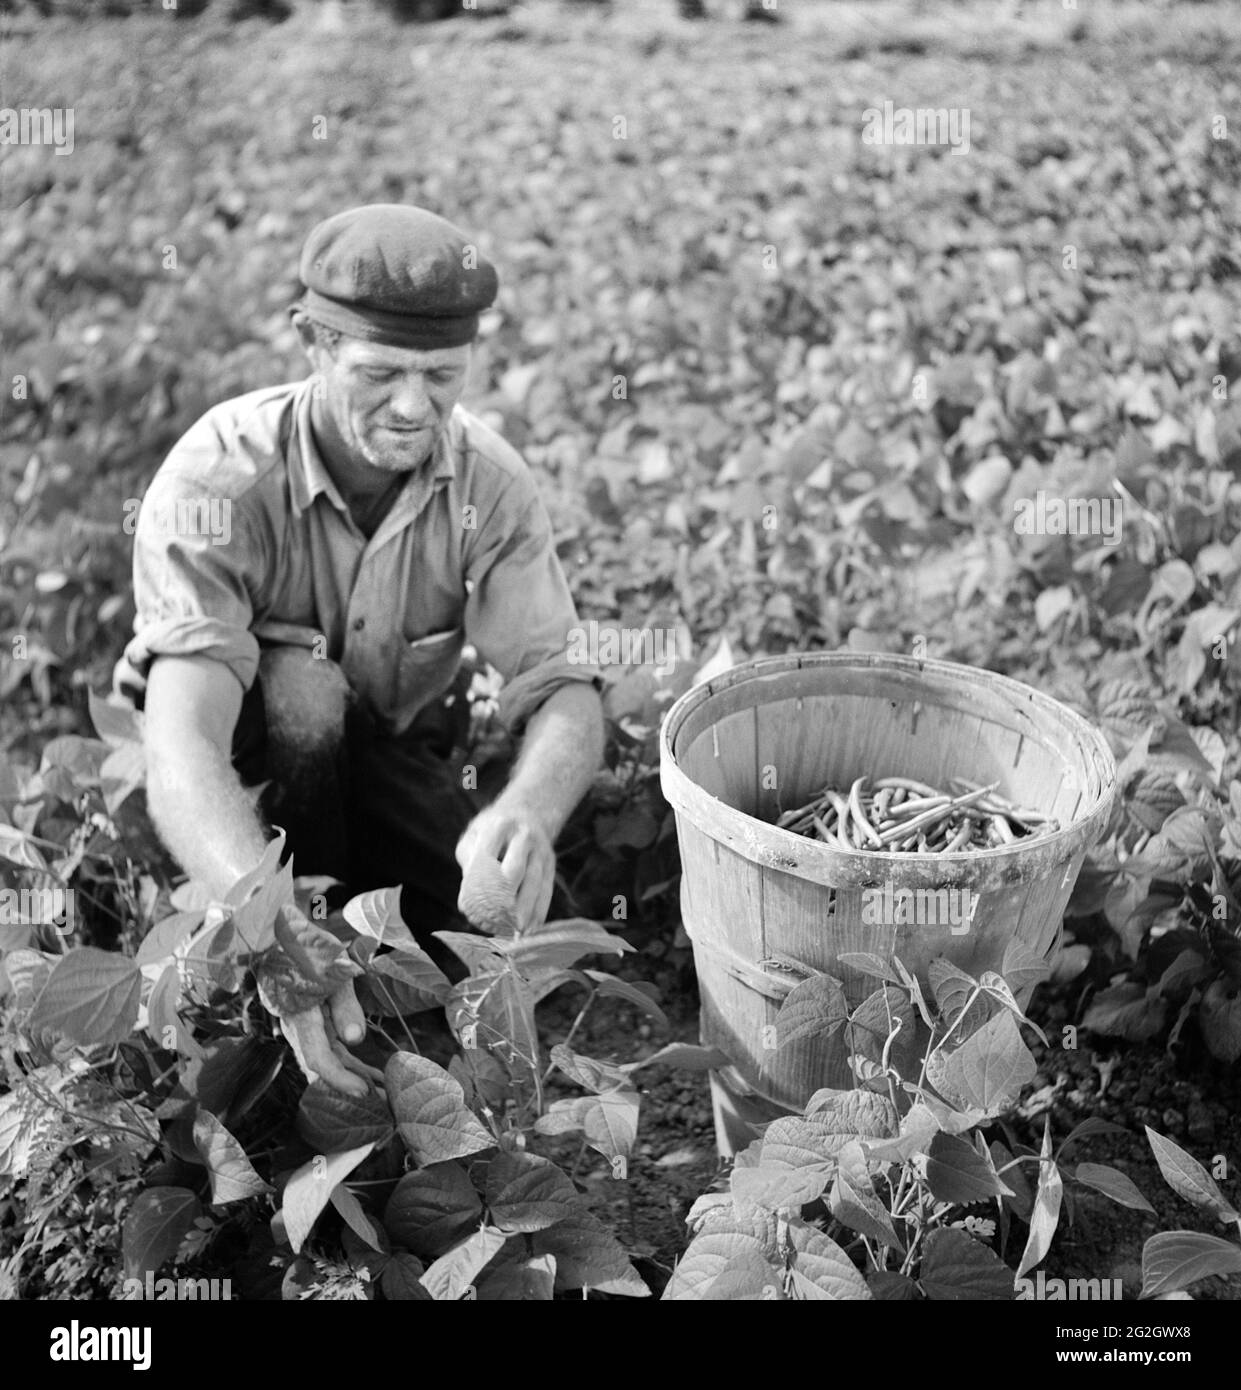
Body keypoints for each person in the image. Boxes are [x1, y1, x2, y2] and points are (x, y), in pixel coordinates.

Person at [114, 203, 604, 1096]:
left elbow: (564, 687)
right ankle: (299, 939)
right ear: (312, 342)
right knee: (302, 691)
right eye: (380, 373)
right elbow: (180, 745)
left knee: (498, 927)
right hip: (240, 786)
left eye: (441, 375)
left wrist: (528, 811)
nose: (415, 407)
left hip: (375, 750)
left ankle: (356, 942)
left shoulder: (488, 484)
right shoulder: (217, 481)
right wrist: (263, 916)